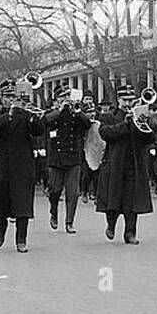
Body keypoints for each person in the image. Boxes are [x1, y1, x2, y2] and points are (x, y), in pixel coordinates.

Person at [0, 80, 45, 252]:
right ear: (2, 98)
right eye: (8, 97)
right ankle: (1, 228)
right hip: (2, 165)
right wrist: (10, 114)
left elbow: (39, 130)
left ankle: (21, 239)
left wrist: (29, 114)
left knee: (23, 203)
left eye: (14, 97)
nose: (11, 100)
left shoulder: (26, 114)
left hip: (23, 165)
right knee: (1, 202)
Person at [95, 82, 155, 244]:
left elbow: (150, 139)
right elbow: (106, 133)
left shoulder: (139, 116)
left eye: (130, 100)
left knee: (132, 200)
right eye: (124, 100)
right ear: (118, 100)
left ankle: (130, 233)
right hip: (115, 163)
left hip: (134, 163)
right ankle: (111, 225)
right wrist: (126, 124)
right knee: (113, 196)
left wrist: (144, 123)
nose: (128, 104)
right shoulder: (108, 116)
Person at [44, 85, 90, 233]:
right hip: (56, 158)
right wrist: (59, 110)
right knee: (55, 190)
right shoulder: (52, 113)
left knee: (73, 192)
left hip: (73, 158)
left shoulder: (75, 113)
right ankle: (53, 212)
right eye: (62, 97)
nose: (66, 100)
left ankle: (69, 222)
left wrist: (77, 111)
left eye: (67, 97)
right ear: (57, 100)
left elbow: (87, 124)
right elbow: (44, 121)